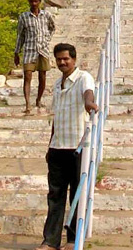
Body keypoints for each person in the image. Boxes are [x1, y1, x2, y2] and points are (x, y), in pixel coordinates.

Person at [38, 42, 97, 250]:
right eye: (59, 59)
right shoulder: (57, 84)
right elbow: (57, 117)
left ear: (74, 59)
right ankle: (50, 241)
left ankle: (73, 240)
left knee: (77, 196)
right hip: (58, 147)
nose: (62, 62)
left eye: (66, 59)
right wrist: (50, 145)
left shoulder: (83, 77)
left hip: (77, 147)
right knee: (55, 196)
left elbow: (88, 93)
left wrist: (89, 104)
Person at [14, 0, 56, 115]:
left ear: (39, 2)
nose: (34, 4)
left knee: (42, 76)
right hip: (29, 50)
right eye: (31, 1)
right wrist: (16, 52)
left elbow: (52, 28)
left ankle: (38, 99)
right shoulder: (24, 17)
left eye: (36, 1)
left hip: (43, 50)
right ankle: (27, 104)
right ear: (28, 1)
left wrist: (46, 39)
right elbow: (20, 35)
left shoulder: (46, 15)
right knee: (27, 76)